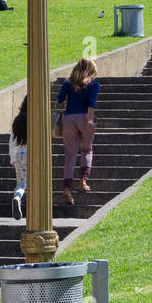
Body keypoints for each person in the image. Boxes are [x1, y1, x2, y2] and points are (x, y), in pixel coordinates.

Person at [56, 58, 101, 206]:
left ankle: (67, 188)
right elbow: (91, 102)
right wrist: (89, 119)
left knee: (70, 155)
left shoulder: (68, 83)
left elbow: (60, 99)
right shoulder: (94, 84)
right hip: (85, 118)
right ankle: (83, 181)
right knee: (87, 150)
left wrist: (65, 84)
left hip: (69, 119)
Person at [9, 95, 28, 220]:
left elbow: (12, 142)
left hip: (20, 153)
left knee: (21, 184)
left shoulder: (17, 120)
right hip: (34, 154)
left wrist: (13, 159)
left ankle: (17, 197)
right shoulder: (35, 119)